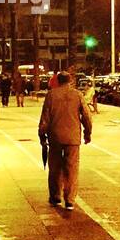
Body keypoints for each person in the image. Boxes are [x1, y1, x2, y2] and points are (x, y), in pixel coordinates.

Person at [38, 70, 92, 211]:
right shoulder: (78, 95)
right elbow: (86, 116)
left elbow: (45, 117)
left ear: (58, 81)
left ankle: (55, 197)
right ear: (70, 80)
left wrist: (42, 135)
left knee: (55, 168)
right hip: (73, 138)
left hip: (55, 137)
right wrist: (88, 133)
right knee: (72, 169)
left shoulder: (51, 95)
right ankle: (69, 200)